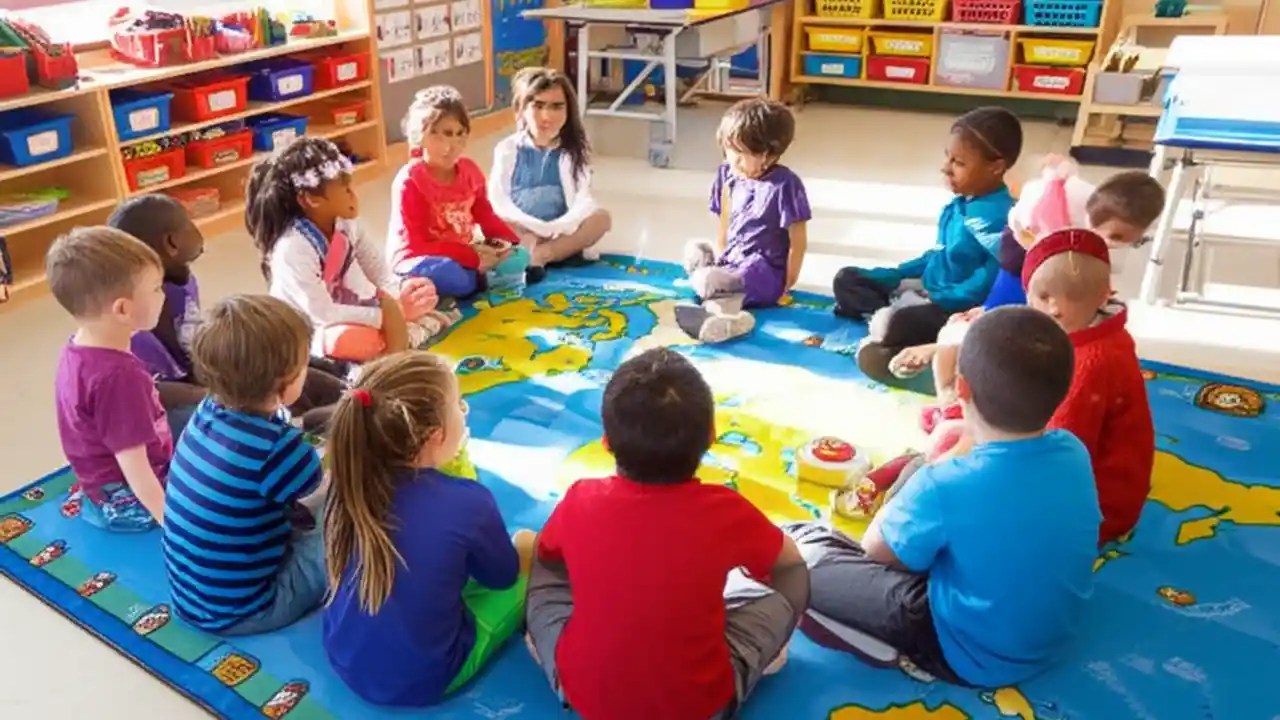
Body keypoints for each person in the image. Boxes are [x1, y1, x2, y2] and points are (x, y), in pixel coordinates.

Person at [785, 306, 1099, 689]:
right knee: (926, 490)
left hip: (964, 650)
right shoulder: (1074, 451)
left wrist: (934, 467)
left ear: (962, 389)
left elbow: (875, 551)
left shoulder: (946, 482)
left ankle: (877, 639)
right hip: (1050, 637)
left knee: (799, 551)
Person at [525, 347, 810, 720]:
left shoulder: (581, 498)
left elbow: (549, 556)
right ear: (711, 436)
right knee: (792, 581)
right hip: (701, 706)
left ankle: (549, 651)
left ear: (607, 443)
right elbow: (789, 564)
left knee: (543, 570)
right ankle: (756, 658)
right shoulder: (726, 510)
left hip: (587, 696)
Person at [323, 352, 535, 707]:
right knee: (530, 551)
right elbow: (501, 576)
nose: (464, 410)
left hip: (342, 654)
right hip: (422, 678)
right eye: (459, 405)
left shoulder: (350, 480)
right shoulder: (469, 502)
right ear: (437, 436)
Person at [109, 195, 345, 435]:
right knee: (245, 407)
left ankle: (342, 397)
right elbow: (151, 391)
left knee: (284, 362)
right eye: (189, 223)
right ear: (171, 243)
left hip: (203, 381)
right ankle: (295, 428)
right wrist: (226, 392)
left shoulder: (182, 282)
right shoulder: (131, 326)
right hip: (163, 411)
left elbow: (196, 349)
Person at [162, 295, 327, 634]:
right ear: (285, 381)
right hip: (251, 609)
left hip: (193, 598)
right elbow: (318, 487)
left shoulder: (206, 411)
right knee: (350, 516)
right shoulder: (278, 447)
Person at [833, 106, 1021, 380]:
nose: (946, 168)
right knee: (847, 279)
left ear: (996, 167)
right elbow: (938, 254)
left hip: (953, 308)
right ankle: (888, 317)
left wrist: (940, 298)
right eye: (948, 158)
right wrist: (897, 275)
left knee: (899, 324)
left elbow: (987, 281)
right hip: (928, 289)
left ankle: (893, 325)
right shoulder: (960, 204)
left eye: (959, 162)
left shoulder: (994, 217)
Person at [246, 137, 443, 364]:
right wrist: (386, 315)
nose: (353, 195)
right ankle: (389, 352)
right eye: (345, 188)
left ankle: (390, 347)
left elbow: (377, 275)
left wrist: (400, 294)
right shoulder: (292, 249)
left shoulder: (346, 227)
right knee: (349, 339)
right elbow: (321, 313)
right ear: (311, 199)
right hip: (311, 329)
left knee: (421, 291)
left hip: (349, 311)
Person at [1025, 229, 1154, 544]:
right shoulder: (1105, 333)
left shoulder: (1089, 362)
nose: (1055, 309)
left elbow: (1059, 447)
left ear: (1103, 296)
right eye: (1044, 297)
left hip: (1095, 510)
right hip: (1111, 486)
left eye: (1075, 297)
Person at [49, 227, 170, 530]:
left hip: (99, 484)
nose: (163, 294)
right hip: (127, 499)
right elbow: (136, 466)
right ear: (123, 309)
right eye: (156, 288)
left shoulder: (80, 346)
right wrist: (173, 522)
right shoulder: (118, 376)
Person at [676, 98, 812, 344]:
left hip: (763, 269)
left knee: (716, 279)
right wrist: (721, 256)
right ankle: (716, 286)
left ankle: (728, 318)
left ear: (768, 155)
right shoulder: (727, 175)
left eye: (741, 153)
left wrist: (787, 284)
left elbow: (798, 241)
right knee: (695, 250)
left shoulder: (785, 185)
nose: (733, 159)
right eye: (729, 150)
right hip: (734, 259)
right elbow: (724, 222)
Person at [387, 85, 530, 297]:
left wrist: (509, 244)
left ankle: (480, 275)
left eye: (459, 134)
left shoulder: (469, 171)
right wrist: (471, 256)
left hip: (462, 252)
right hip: (418, 258)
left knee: (519, 257)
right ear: (421, 136)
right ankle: (477, 277)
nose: (451, 145)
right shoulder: (410, 181)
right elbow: (418, 244)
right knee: (453, 277)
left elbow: (485, 215)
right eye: (442, 135)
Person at [488, 66, 610, 272]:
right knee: (492, 222)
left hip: (561, 230)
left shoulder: (574, 151)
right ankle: (530, 250)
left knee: (601, 218)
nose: (547, 116)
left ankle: (543, 255)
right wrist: (532, 226)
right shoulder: (507, 149)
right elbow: (498, 200)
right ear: (521, 109)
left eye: (556, 107)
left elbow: (583, 200)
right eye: (538, 106)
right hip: (520, 227)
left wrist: (555, 227)